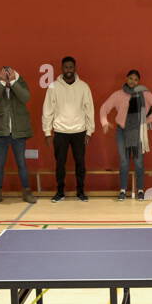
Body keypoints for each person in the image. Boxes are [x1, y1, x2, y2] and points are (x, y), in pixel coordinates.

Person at [99, 69, 152, 201]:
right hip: (122, 131)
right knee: (123, 161)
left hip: (138, 131)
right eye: (130, 78)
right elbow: (104, 108)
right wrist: (104, 122)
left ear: (138, 81)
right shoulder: (118, 95)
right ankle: (123, 190)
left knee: (138, 161)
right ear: (126, 79)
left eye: (135, 79)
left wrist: (148, 119)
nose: (133, 81)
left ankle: (140, 190)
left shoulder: (144, 93)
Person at [42, 56, 94, 202]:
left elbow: (89, 110)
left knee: (80, 164)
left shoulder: (83, 86)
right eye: (66, 67)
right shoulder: (53, 86)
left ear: (75, 68)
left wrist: (89, 131)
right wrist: (47, 132)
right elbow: (48, 110)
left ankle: (81, 192)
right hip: (60, 132)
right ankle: (60, 192)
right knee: (60, 164)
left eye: (71, 67)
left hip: (79, 132)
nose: (68, 70)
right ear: (61, 68)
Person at [0, 66, 35, 205]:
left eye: (9, 74)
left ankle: (26, 192)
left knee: (22, 164)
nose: (7, 76)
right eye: (4, 74)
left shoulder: (20, 82)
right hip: (1, 131)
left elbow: (26, 97)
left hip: (18, 132)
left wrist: (13, 82)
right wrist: (2, 83)